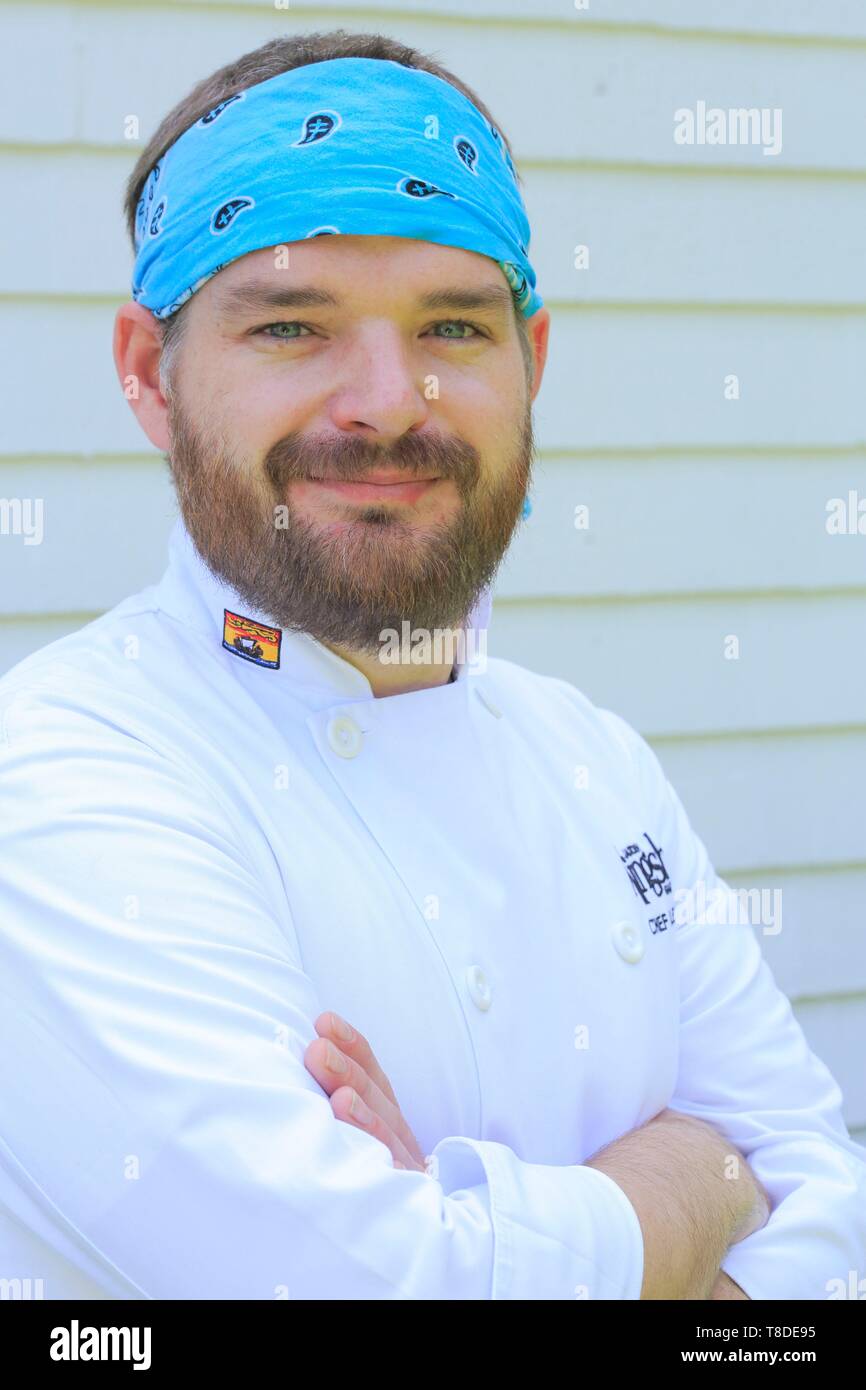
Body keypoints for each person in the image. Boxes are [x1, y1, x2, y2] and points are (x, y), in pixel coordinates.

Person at [0, 30, 863, 1301]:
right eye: (291, 326)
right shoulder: (65, 779)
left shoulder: (592, 759)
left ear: (531, 363)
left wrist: (486, 1234)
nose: (390, 401)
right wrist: (692, 1173)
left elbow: (820, 1205)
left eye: (451, 325)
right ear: (150, 375)